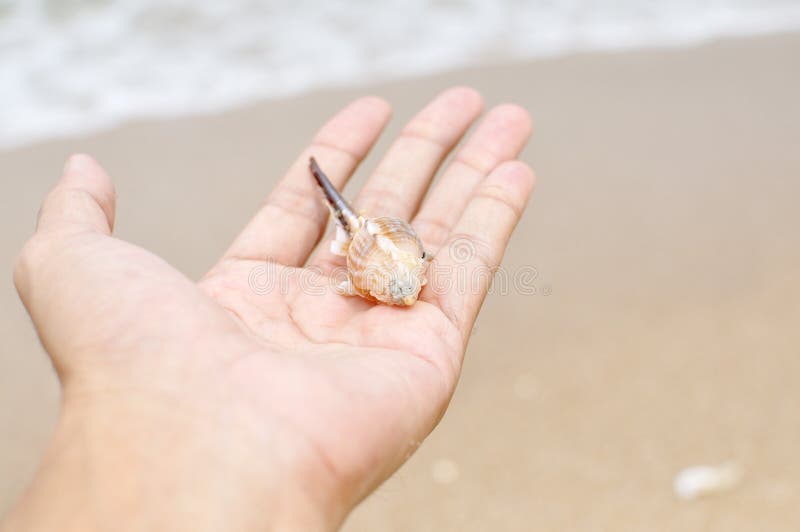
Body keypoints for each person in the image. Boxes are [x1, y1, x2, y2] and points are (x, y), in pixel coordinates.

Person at [3, 87, 534, 531]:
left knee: (354, 221)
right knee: (350, 216)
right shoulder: (388, 278)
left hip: (375, 253)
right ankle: (330, 190)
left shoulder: (394, 278)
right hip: (373, 252)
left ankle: (336, 198)